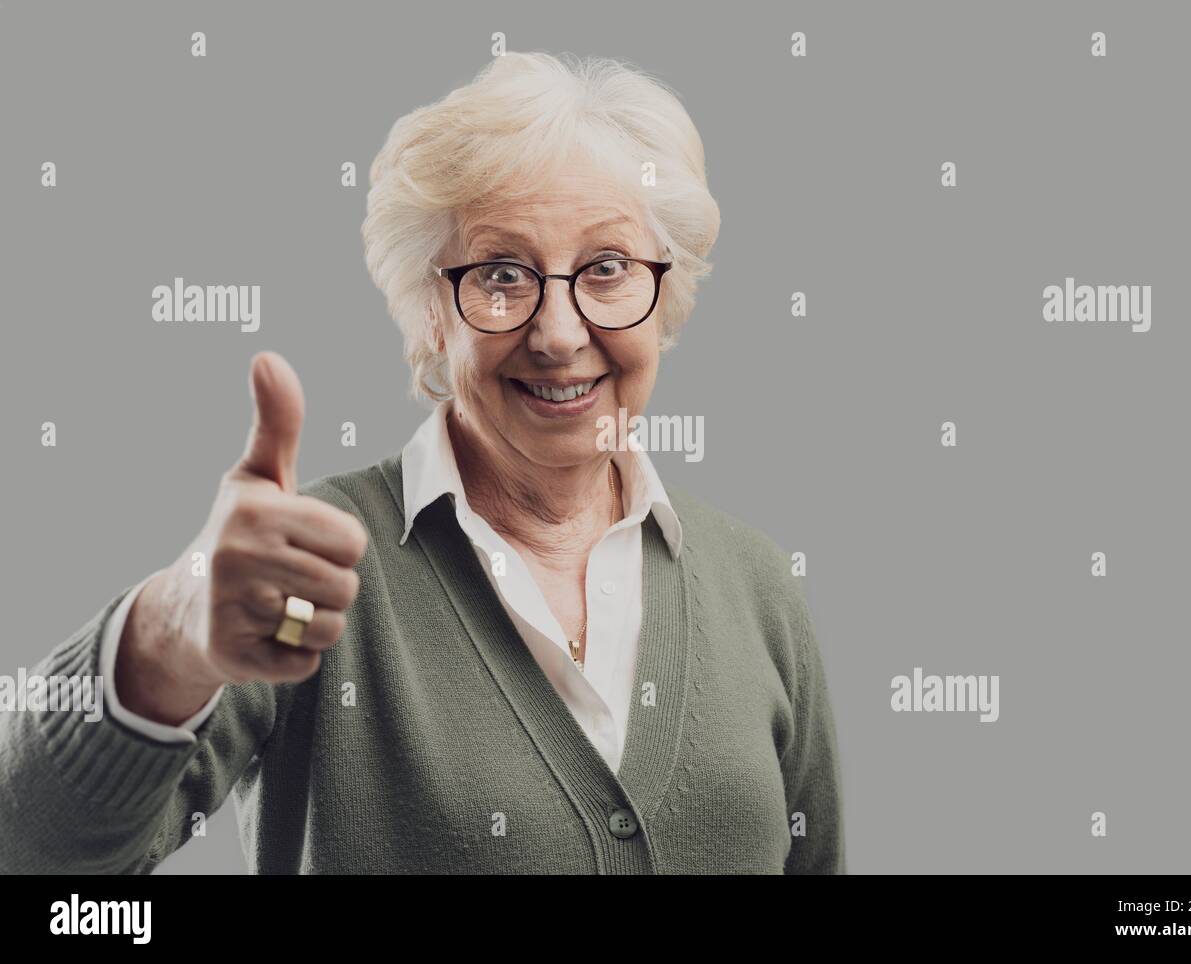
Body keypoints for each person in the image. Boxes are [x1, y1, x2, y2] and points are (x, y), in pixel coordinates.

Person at [0, 51, 845, 874]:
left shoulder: (757, 584)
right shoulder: (311, 567)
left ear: (669, 296)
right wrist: (165, 635)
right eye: (503, 274)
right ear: (431, 313)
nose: (557, 334)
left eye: (608, 268)